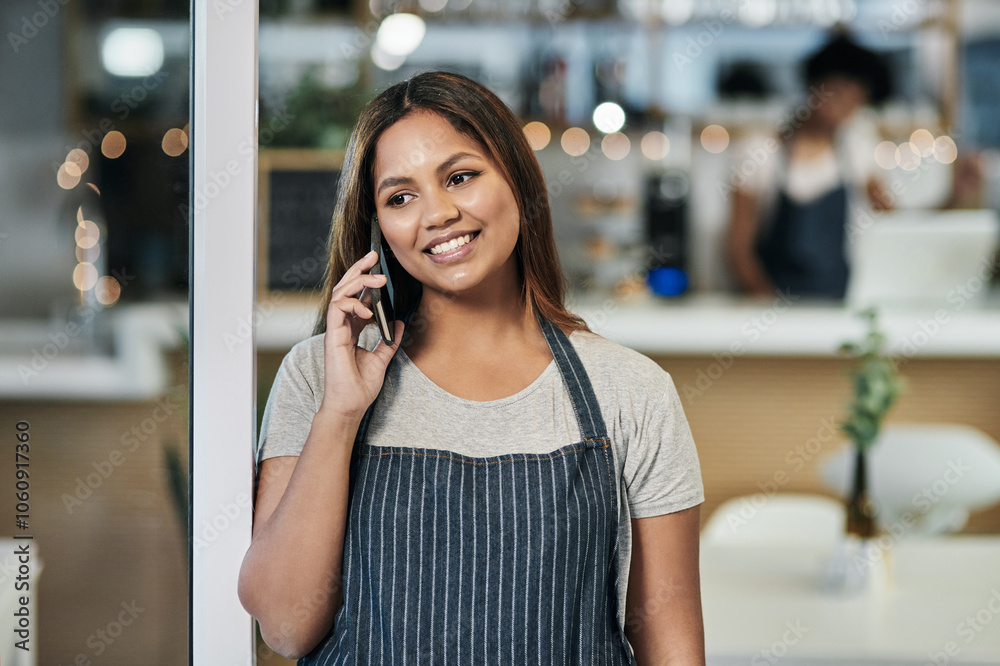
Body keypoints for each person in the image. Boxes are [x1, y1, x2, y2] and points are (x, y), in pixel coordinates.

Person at [238, 70, 705, 665]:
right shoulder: (320, 377)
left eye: (460, 177)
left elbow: (671, 647)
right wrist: (341, 412)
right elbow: (284, 625)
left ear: (515, 178)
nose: (437, 214)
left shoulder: (632, 392)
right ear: (377, 224)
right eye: (400, 197)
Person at [727, 32, 894, 300]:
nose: (845, 107)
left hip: (839, 303)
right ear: (813, 88)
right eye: (837, 94)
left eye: (855, 100)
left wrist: (954, 199)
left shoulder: (857, 150)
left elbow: (895, 221)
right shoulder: (759, 152)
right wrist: (767, 307)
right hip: (772, 304)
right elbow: (738, 249)